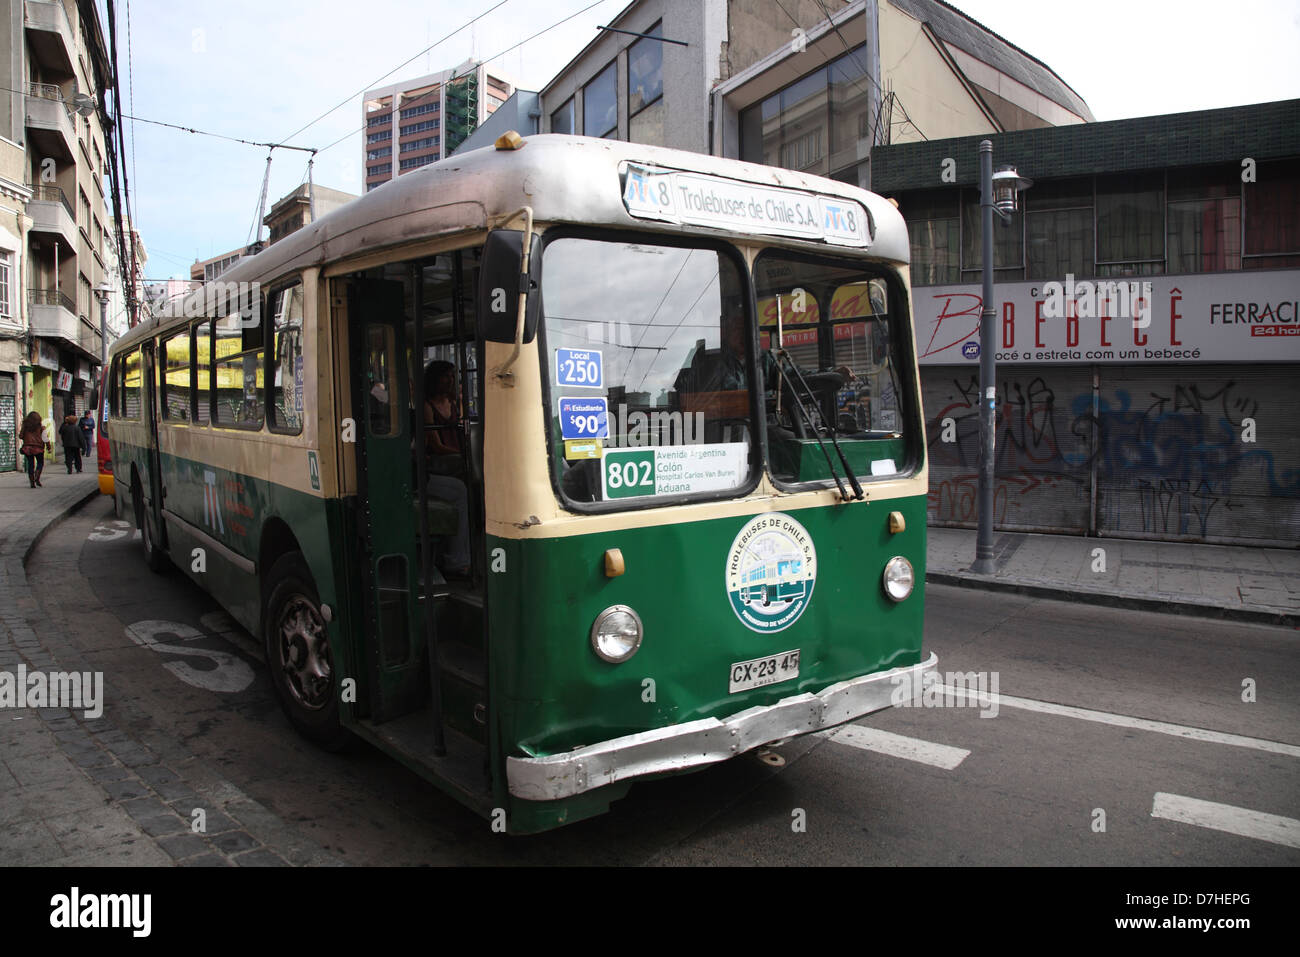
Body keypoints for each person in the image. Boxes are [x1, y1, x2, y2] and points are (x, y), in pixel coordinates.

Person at [421, 360, 470, 578]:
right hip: (436, 465)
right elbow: (436, 445)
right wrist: (462, 455)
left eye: (452, 376)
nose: (450, 380)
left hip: (456, 461)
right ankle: (456, 560)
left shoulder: (454, 402)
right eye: (445, 376)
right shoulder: (426, 407)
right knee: (460, 490)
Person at [19, 412, 46, 488]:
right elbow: (45, 438)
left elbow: (20, 436)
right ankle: (37, 477)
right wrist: (49, 447)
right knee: (40, 463)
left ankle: (32, 483)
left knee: (31, 465)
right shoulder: (41, 427)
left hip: (28, 448)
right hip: (39, 448)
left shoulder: (25, 426)